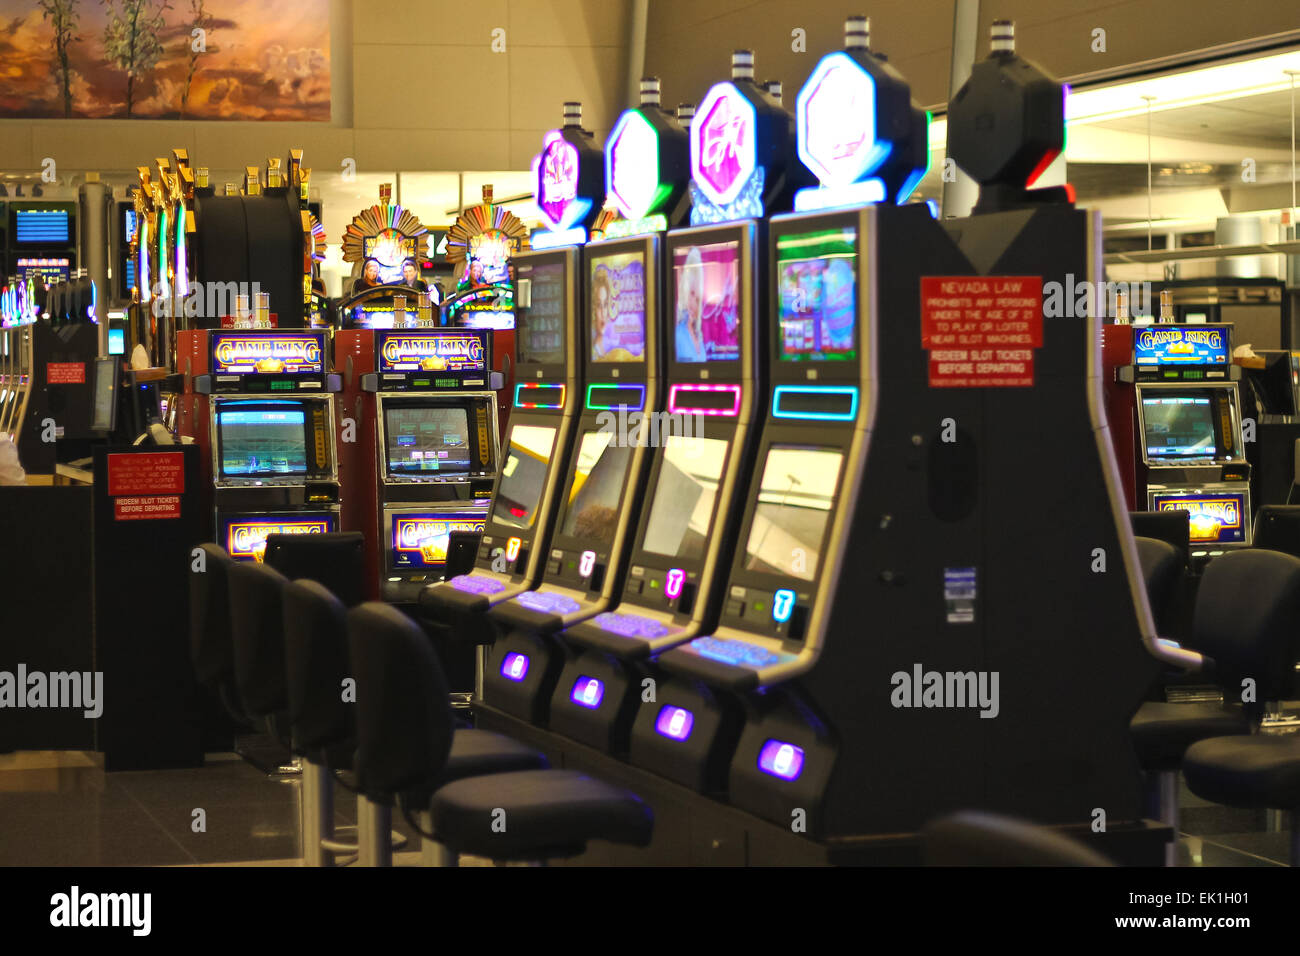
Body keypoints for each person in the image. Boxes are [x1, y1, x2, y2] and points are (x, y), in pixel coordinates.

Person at [675, 247, 707, 362]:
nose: (694, 304)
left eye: (698, 299)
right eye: (692, 294)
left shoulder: (699, 336)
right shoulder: (677, 335)